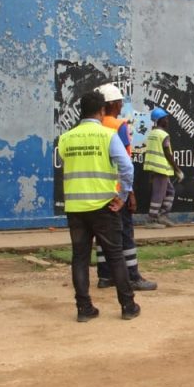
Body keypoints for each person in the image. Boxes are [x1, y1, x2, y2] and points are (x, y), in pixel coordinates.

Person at [58, 90, 141, 322]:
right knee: (115, 255)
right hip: (105, 206)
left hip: (76, 207)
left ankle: (84, 309)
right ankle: (128, 305)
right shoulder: (107, 135)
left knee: (80, 257)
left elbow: (68, 162)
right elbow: (127, 168)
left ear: (80, 111)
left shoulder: (67, 138)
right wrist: (123, 196)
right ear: (102, 111)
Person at [93, 83, 157, 292]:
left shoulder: (94, 127)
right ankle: (132, 276)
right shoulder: (119, 126)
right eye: (120, 102)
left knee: (103, 234)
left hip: (100, 190)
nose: (122, 106)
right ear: (112, 103)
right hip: (118, 190)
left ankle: (105, 275)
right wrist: (130, 193)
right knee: (125, 233)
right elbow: (125, 163)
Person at [143, 106, 183, 228]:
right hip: (161, 169)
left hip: (154, 168)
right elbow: (168, 154)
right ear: (160, 120)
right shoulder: (163, 135)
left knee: (170, 191)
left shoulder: (151, 134)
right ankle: (151, 220)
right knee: (159, 194)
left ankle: (163, 216)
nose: (167, 120)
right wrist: (177, 170)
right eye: (166, 118)